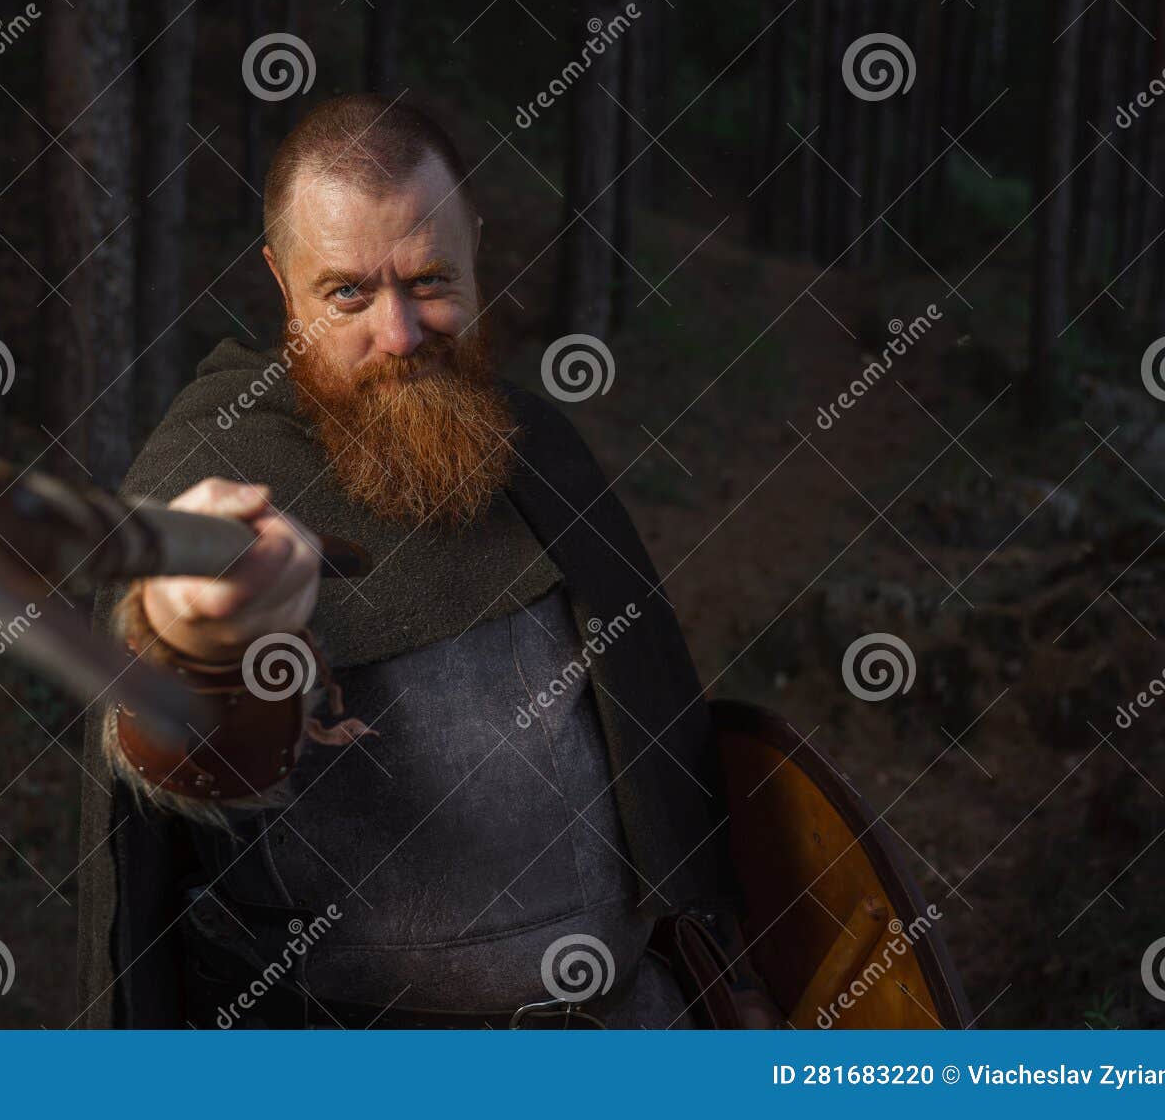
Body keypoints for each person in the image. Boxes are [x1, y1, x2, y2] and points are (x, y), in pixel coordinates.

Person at [74, 94, 725, 1028]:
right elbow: (174, 756)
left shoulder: (532, 444)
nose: (400, 335)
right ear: (281, 285)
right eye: (348, 293)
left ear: (475, 251)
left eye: (428, 282)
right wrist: (189, 640)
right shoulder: (211, 470)